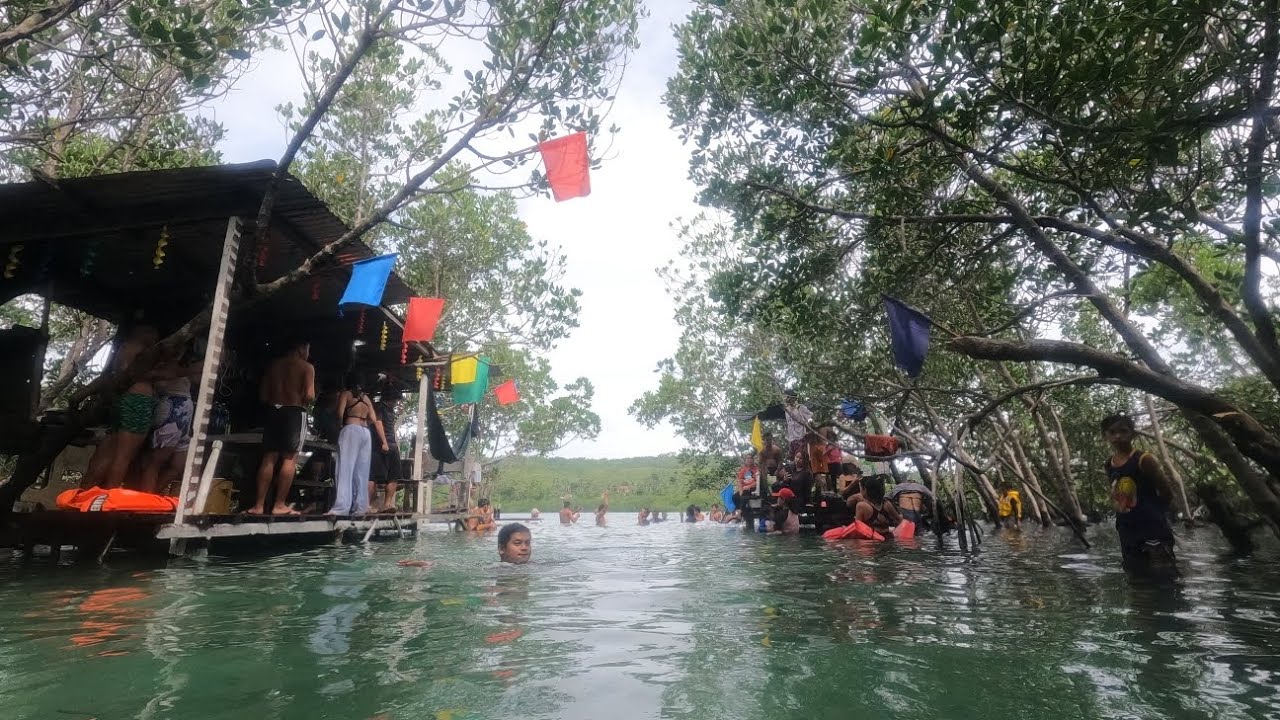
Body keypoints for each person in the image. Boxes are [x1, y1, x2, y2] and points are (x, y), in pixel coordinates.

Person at [81, 324, 161, 490]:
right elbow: (135, 373)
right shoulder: (141, 351)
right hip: (138, 399)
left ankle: (85, 491)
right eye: (154, 333)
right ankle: (108, 496)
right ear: (143, 332)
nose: (156, 338)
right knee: (124, 456)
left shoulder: (123, 349)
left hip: (122, 399)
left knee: (108, 450)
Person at [1101, 413, 1177, 572]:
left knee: (1163, 575)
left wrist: (1156, 516)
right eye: (1112, 432)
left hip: (1152, 528)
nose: (1118, 436)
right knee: (1135, 576)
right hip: (1127, 529)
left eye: (1123, 431)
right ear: (1105, 436)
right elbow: (1117, 493)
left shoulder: (1144, 459)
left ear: (1132, 434)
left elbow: (1167, 492)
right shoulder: (1109, 464)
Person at [248, 339, 315, 515]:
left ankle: (258, 505)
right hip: (294, 412)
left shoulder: (273, 366)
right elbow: (310, 395)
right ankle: (279, 505)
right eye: (308, 348)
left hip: (273, 411)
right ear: (301, 348)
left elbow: (263, 396)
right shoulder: (306, 367)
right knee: (289, 458)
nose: (309, 352)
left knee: (269, 458)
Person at [137, 347, 202, 494]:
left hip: (184, 410)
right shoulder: (162, 366)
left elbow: (197, 376)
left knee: (179, 464)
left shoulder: (180, 367)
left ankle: (152, 495)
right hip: (173, 407)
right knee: (157, 459)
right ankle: (145, 501)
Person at [329, 372, 379, 516]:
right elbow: (373, 419)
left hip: (351, 430)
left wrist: (341, 425)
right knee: (362, 472)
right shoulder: (366, 398)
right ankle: (360, 508)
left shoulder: (347, 394)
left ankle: (341, 508)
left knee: (345, 469)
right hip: (365, 433)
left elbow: (339, 413)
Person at [369, 385, 403, 512]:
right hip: (380, 446)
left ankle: (387, 504)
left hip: (392, 445)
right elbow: (378, 424)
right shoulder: (379, 407)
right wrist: (384, 442)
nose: (395, 403)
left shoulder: (390, 410)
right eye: (395, 400)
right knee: (372, 477)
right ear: (390, 398)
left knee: (394, 476)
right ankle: (368, 505)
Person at [783, 390, 813, 458]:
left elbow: (810, 418)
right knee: (794, 461)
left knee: (802, 459)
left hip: (801, 439)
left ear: (793, 398)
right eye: (785, 397)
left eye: (787, 397)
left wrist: (810, 422)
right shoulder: (786, 410)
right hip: (792, 440)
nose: (785, 399)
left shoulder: (800, 408)